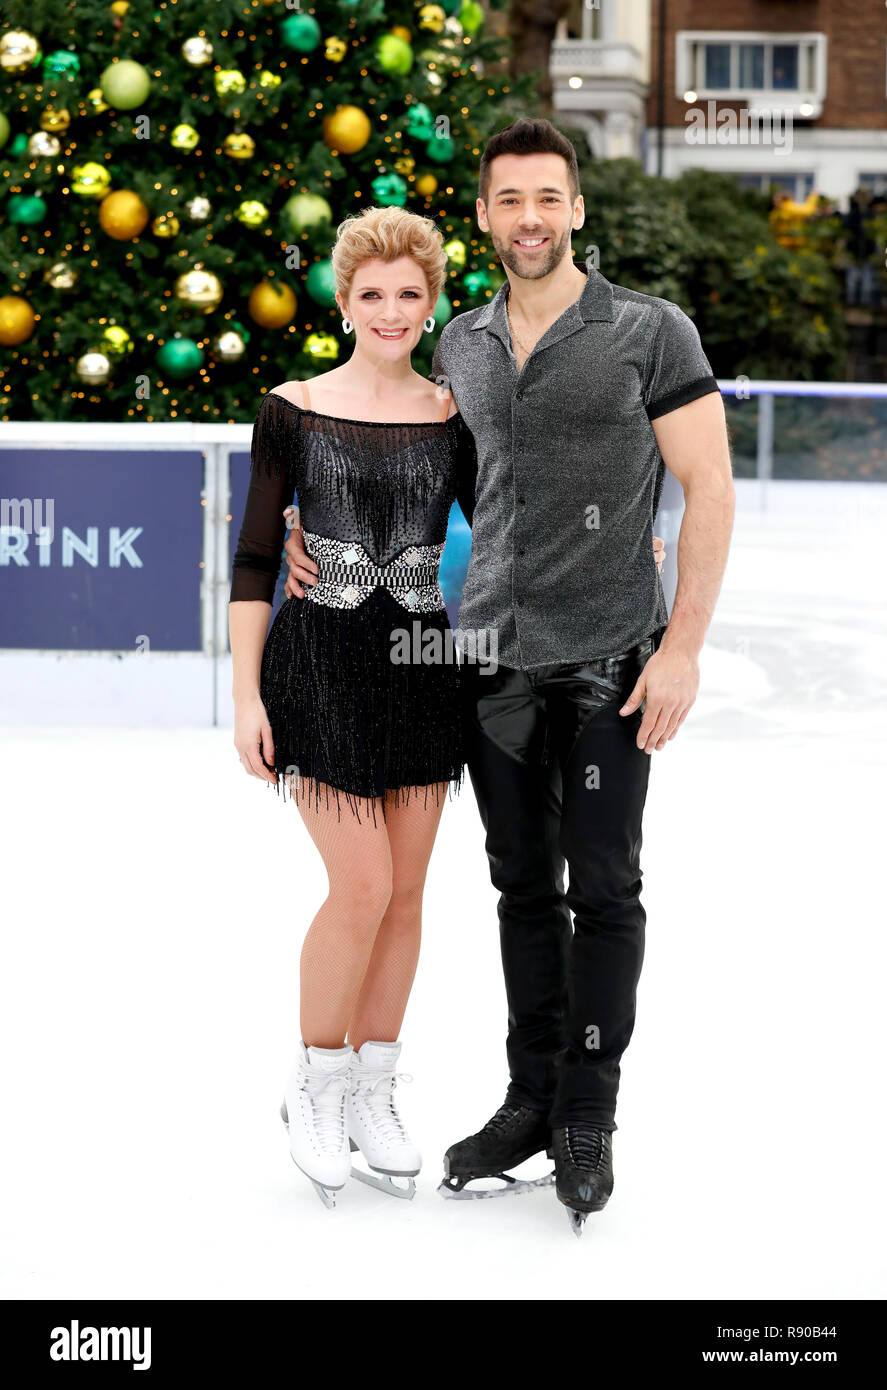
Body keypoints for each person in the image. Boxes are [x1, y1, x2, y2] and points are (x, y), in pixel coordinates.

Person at [282, 118, 735, 1235]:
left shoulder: (648, 331)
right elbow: (416, 474)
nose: (529, 217)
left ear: (575, 208)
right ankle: (527, 1098)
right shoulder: (463, 350)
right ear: (483, 216)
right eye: (507, 200)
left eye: (548, 196)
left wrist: (679, 646)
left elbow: (707, 490)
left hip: (608, 665)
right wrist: (305, 521)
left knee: (605, 891)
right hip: (483, 666)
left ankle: (585, 1111)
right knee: (517, 891)